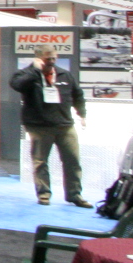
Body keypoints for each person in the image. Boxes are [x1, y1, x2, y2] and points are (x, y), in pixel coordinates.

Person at [9, 44, 90, 207]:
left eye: (54, 58)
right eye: (48, 59)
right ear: (39, 58)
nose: (52, 61)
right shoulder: (27, 74)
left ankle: (75, 194)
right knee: (40, 162)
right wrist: (36, 71)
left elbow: (77, 95)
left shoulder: (64, 75)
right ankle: (44, 194)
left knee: (73, 161)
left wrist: (82, 114)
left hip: (65, 125)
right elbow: (16, 85)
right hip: (39, 127)